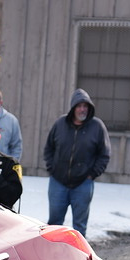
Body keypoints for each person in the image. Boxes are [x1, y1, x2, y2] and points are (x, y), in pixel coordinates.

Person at [42, 89, 111, 236]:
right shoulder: (60, 124)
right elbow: (49, 148)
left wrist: (92, 175)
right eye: (79, 106)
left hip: (83, 184)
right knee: (54, 224)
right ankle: (52, 255)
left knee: (79, 227)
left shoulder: (97, 127)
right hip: (58, 182)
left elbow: (104, 154)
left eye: (85, 106)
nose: (82, 109)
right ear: (73, 108)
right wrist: (51, 168)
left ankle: (78, 257)